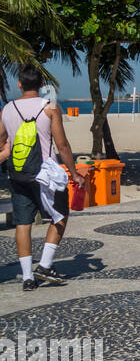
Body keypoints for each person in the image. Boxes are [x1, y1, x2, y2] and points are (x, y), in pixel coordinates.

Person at [0, 65, 87, 290]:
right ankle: (46, 265)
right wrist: (74, 173)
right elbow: (62, 145)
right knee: (59, 216)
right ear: (41, 85)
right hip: (45, 175)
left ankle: (28, 277)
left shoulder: (7, 109)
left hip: (18, 174)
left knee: (22, 223)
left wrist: (8, 150)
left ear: (19, 84)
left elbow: (1, 142)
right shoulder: (49, 109)